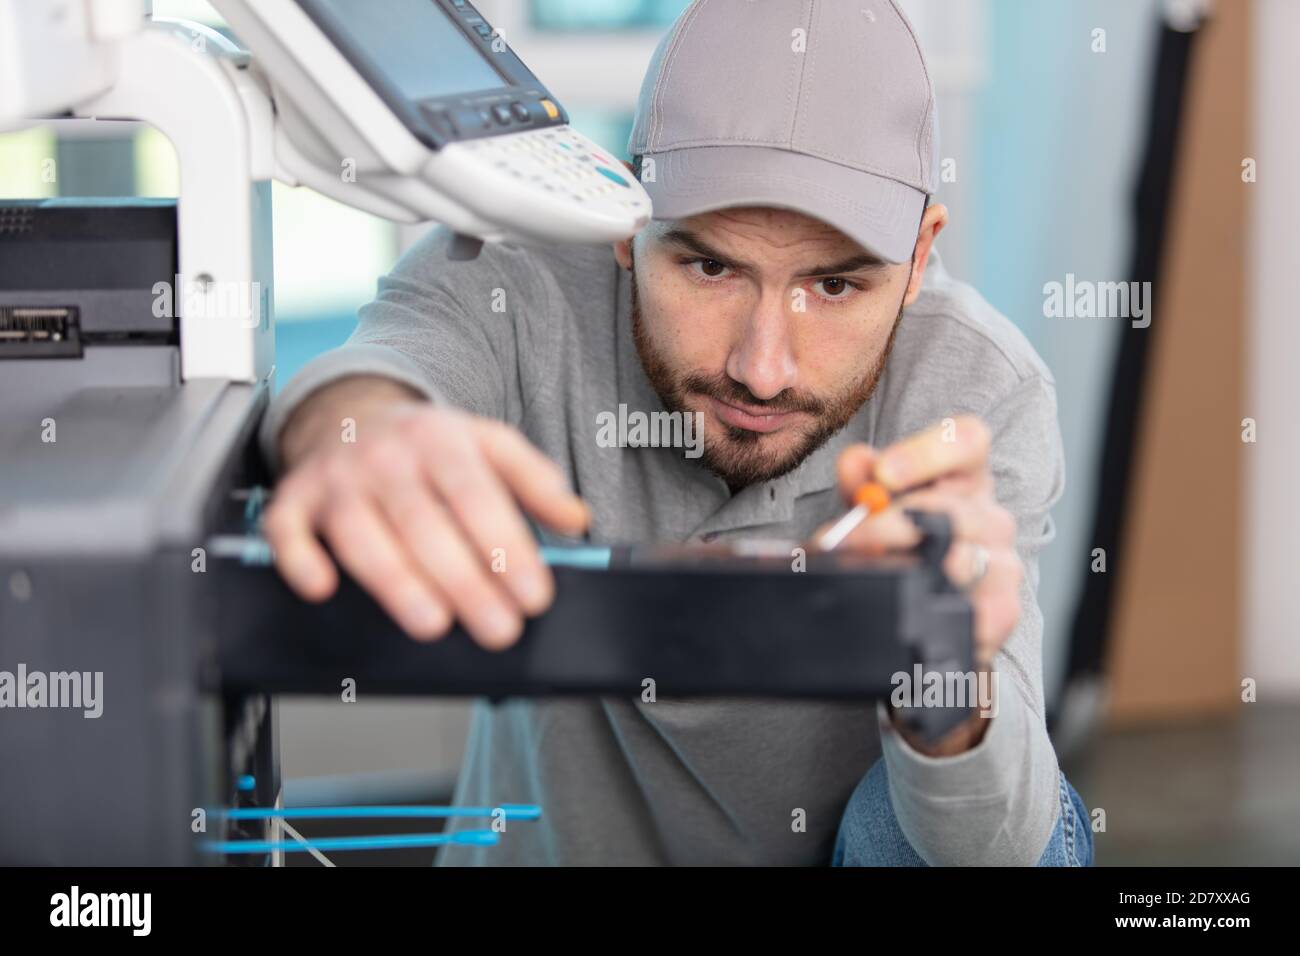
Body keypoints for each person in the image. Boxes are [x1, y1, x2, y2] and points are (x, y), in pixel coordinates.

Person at [259, 0, 1092, 866]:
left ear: (920, 256)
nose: (762, 370)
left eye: (836, 287)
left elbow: (996, 850)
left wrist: (949, 670)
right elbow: (384, 368)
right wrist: (365, 434)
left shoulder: (980, 392)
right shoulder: (526, 276)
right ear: (629, 220)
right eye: (710, 266)